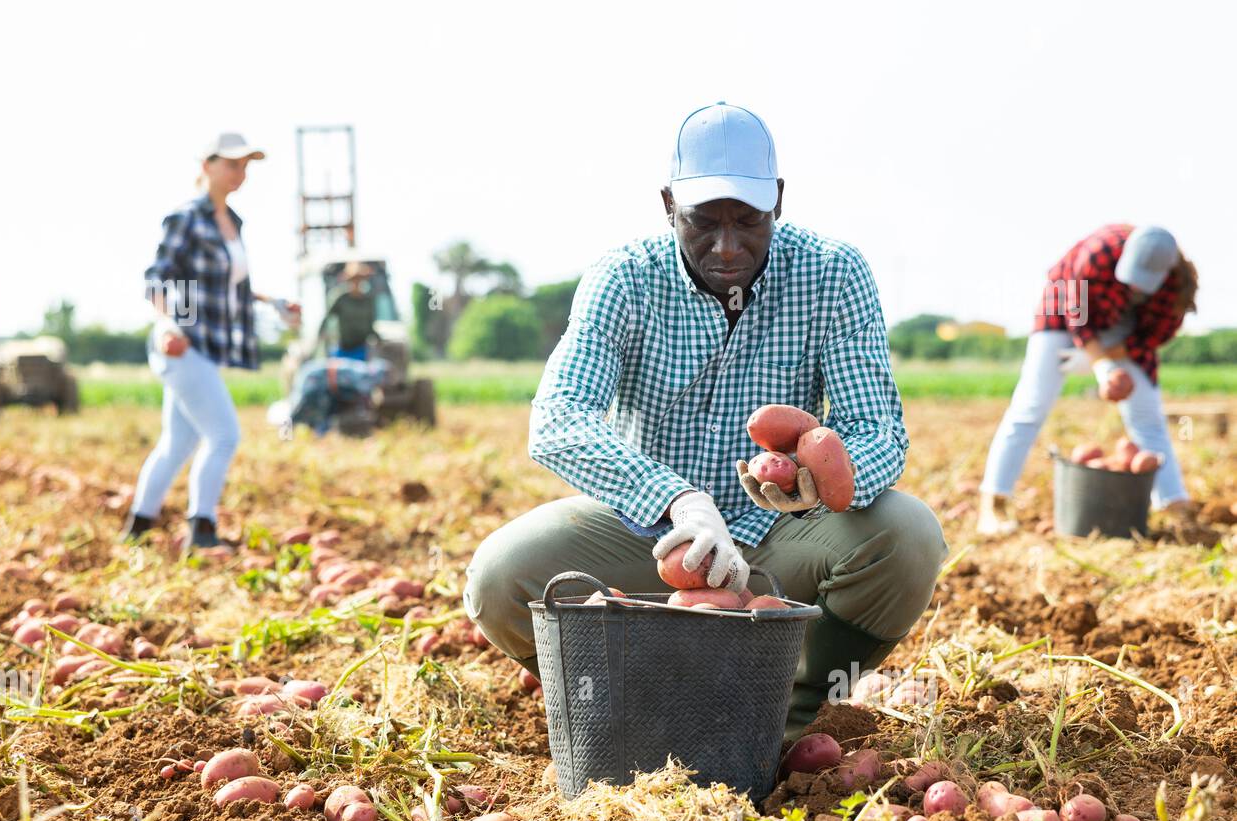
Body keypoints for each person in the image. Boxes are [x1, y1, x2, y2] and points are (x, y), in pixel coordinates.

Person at [463, 102, 948, 738]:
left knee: (908, 535)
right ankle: (629, 710)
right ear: (667, 205)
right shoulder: (626, 278)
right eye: (702, 222)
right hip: (656, 539)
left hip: (780, 536)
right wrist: (680, 501)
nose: (726, 245)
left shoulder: (833, 273)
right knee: (501, 576)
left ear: (778, 200)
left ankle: (780, 719)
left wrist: (820, 478)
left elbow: (878, 427)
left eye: (747, 221)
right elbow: (558, 418)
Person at [123, 132, 302, 553]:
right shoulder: (187, 217)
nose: (240, 172)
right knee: (223, 436)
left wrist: (275, 303)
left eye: (245, 165)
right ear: (207, 166)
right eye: (232, 163)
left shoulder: (233, 222)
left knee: (178, 443)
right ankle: (201, 533)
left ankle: (137, 528)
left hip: (208, 347)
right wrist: (168, 324)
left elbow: (234, 289)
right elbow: (157, 278)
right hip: (183, 344)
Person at [978, 224, 1198, 534]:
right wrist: (1103, 367)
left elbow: (1154, 336)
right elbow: (1077, 316)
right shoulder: (1098, 252)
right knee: (1030, 405)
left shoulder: (1177, 285)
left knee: (1147, 416)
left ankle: (1176, 506)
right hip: (1064, 316)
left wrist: (1111, 356)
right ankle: (993, 503)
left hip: (1124, 331)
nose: (1135, 289)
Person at [318, 262, 381, 361]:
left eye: (359, 279)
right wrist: (320, 339)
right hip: (341, 349)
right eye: (353, 279)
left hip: (361, 350)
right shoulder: (341, 299)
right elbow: (327, 319)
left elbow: (370, 327)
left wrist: (379, 340)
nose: (356, 282)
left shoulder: (368, 301)